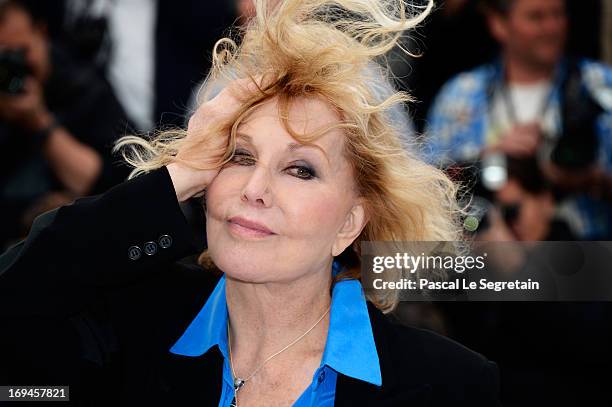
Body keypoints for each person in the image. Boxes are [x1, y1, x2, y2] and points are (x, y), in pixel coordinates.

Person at [0, 0, 500, 405]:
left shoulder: (449, 385)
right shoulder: (125, 324)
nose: (254, 188)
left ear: (350, 223)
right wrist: (179, 172)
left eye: (300, 169)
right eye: (238, 157)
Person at [424, 0, 612, 240]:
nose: (552, 27)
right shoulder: (461, 95)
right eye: (536, 17)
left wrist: (589, 179)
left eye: (558, 14)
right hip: (487, 256)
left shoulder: (599, 85)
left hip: (585, 257)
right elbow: (427, 190)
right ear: (499, 25)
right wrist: (489, 159)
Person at [0, 0, 131, 250]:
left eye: (19, 53)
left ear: (41, 33)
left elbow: (108, 178)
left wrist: (39, 122)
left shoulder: (84, 88)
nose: (13, 68)